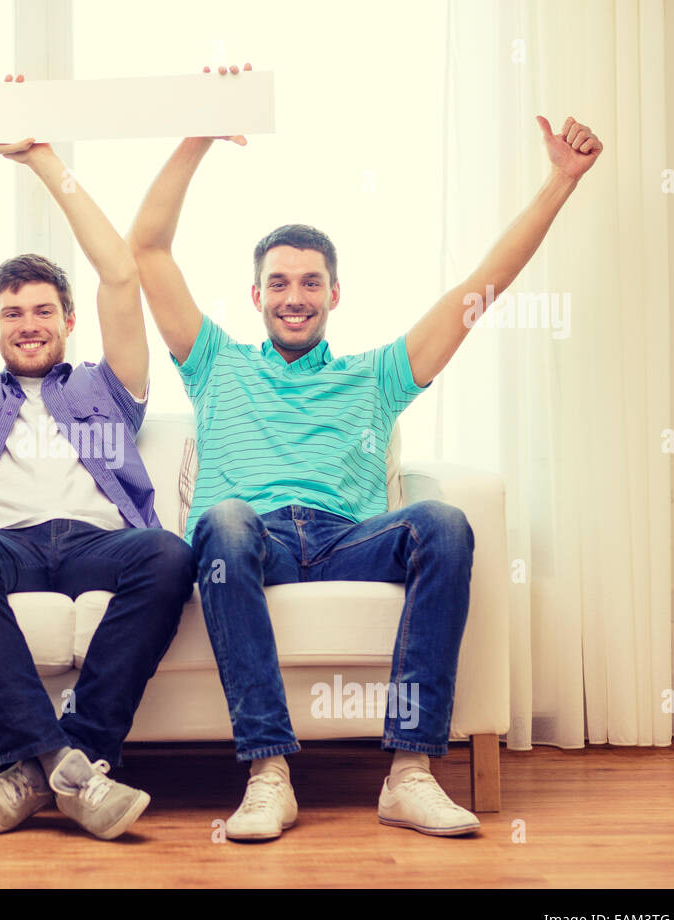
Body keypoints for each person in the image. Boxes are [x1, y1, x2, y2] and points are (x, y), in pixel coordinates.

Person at [128, 63, 603, 841]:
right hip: (253, 537)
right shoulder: (217, 362)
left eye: (310, 283)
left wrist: (560, 183)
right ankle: (269, 772)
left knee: (443, 523)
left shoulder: (374, 376)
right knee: (223, 521)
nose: (293, 296)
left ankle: (411, 772)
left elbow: (479, 292)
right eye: (278, 282)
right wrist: (199, 134)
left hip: (348, 537)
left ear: (334, 295)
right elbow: (146, 249)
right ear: (255, 297)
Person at [0, 77, 196, 841]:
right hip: (2, 548)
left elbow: (122, 274)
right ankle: (74, 770)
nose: (29, 324)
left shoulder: (109, 387)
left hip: (97, 542)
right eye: (12, 314)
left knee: (169, 554)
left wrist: (41, 159)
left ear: (69, 321)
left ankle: (44, 768)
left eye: (44, 312)